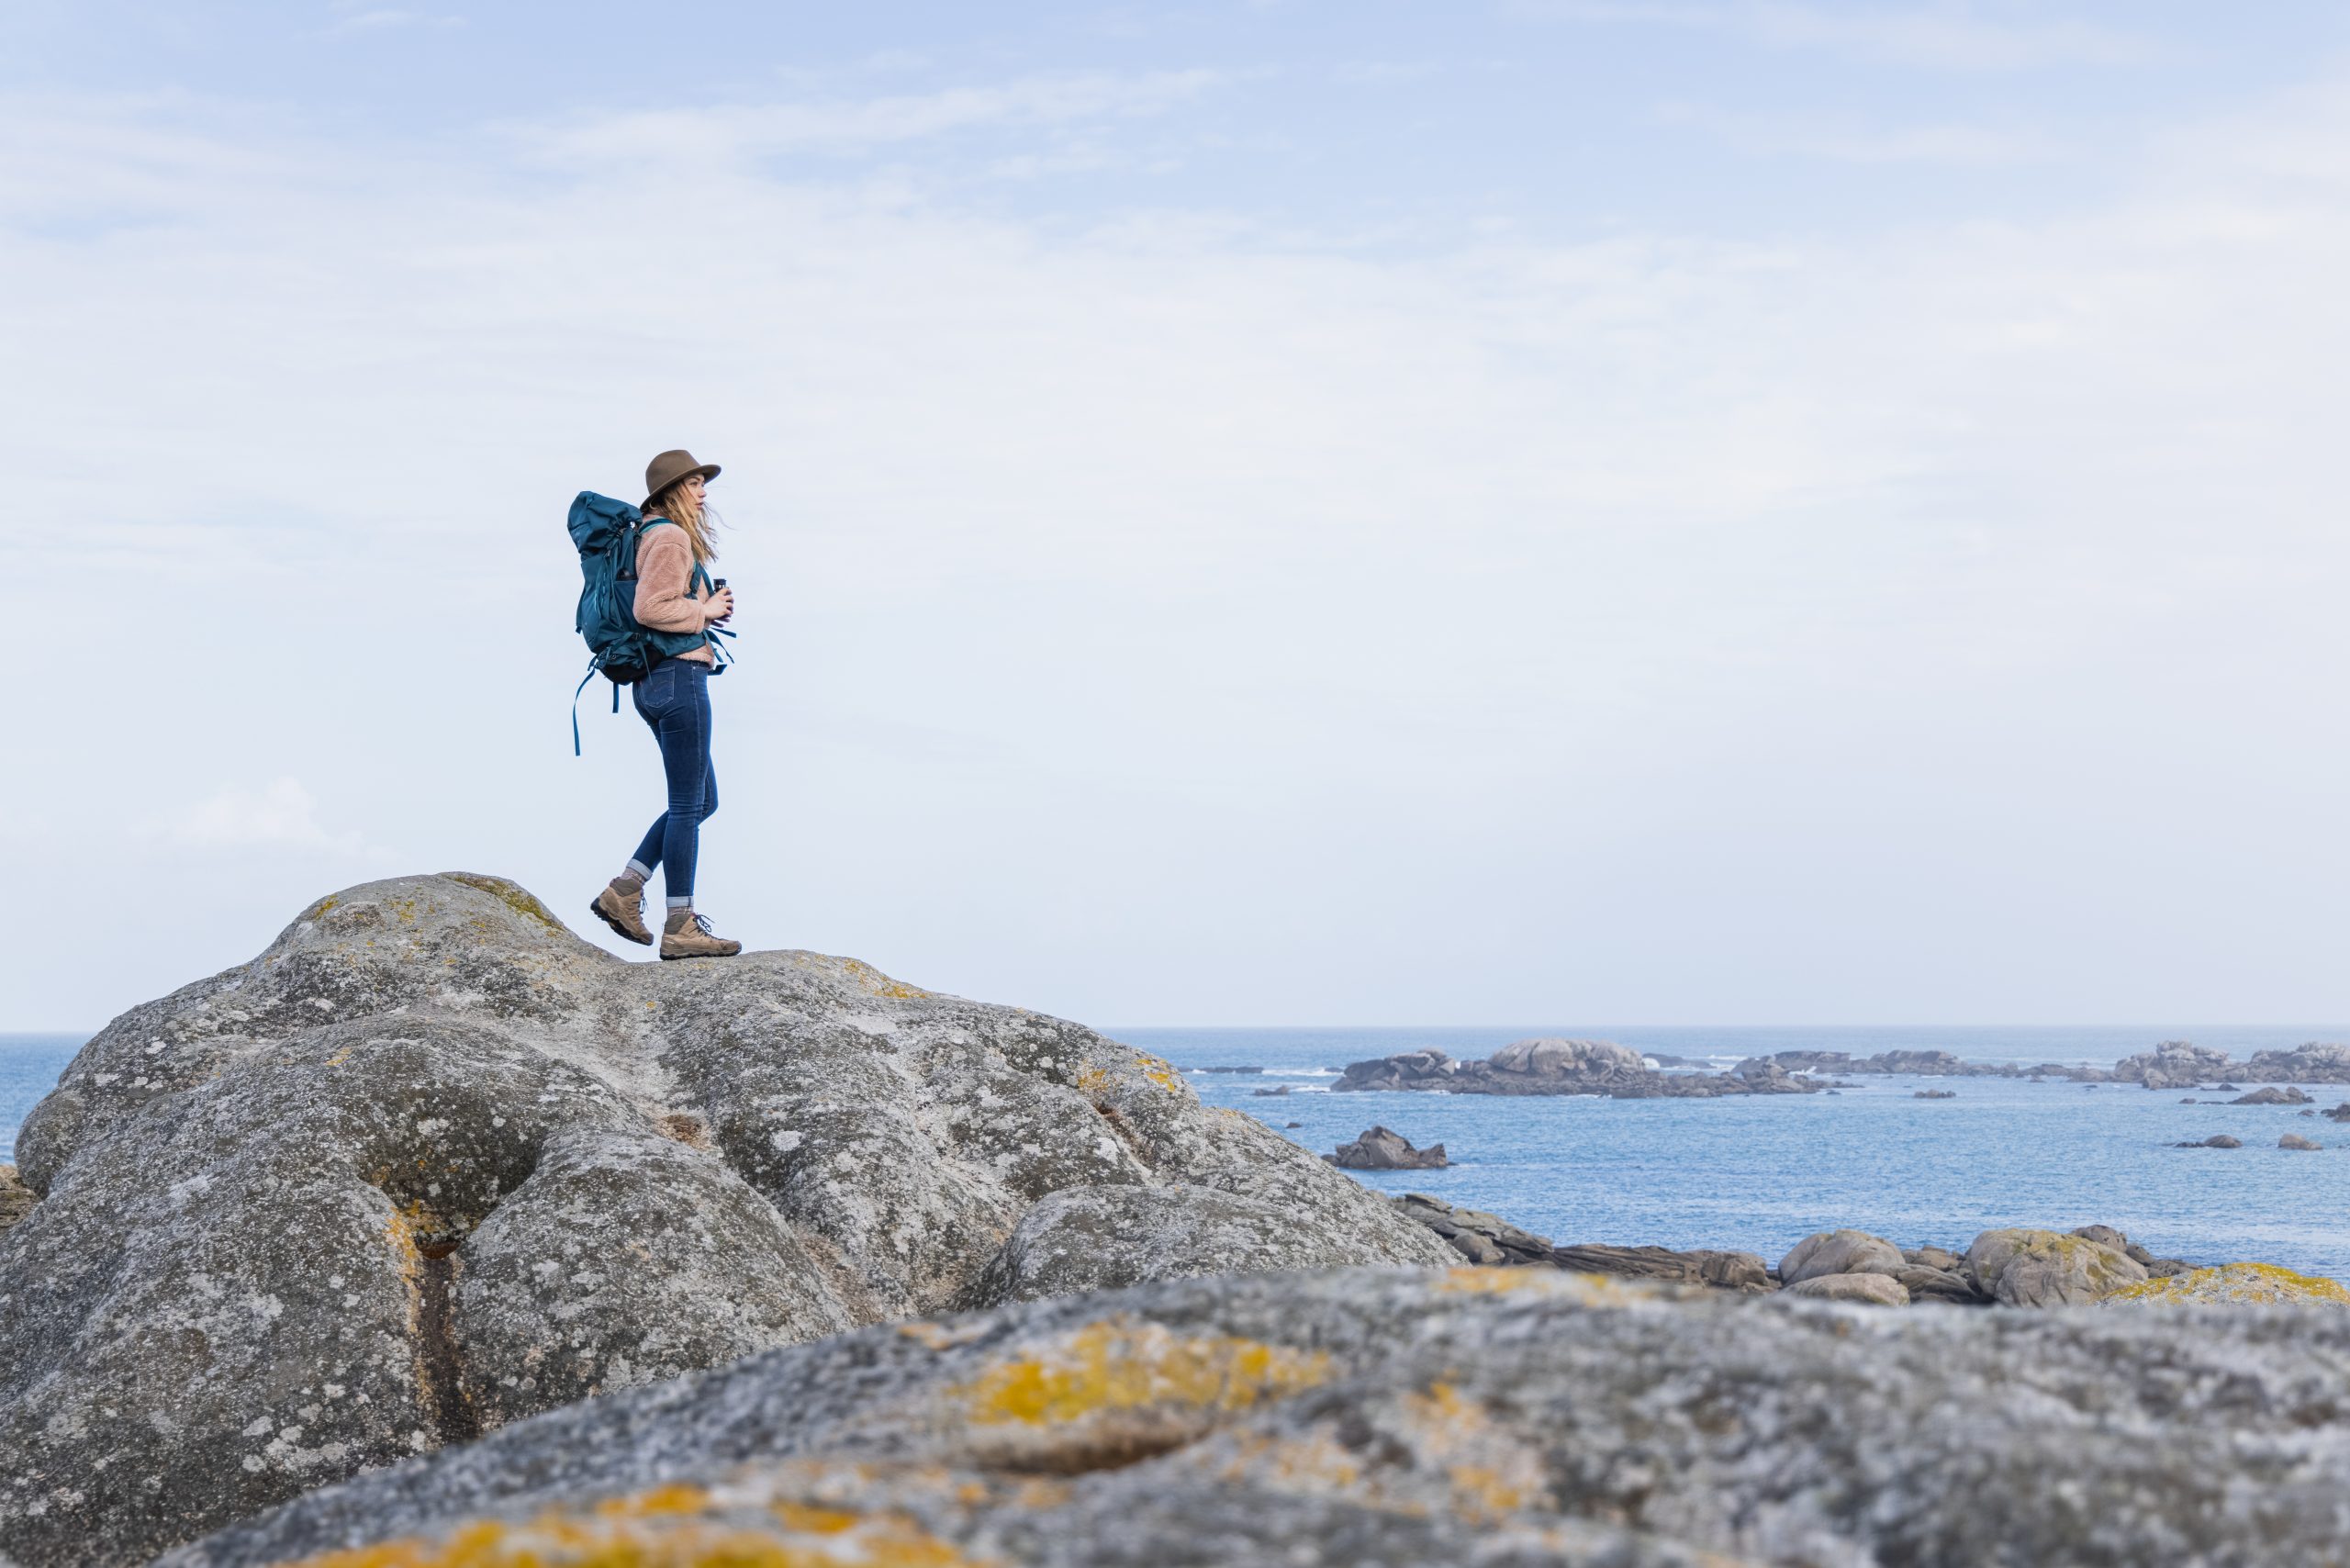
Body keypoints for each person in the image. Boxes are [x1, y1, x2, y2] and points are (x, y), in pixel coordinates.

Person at [589, 449, 744, 959]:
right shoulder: (671, 537)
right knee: (687, 806)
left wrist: (700, 609)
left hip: (655, 682)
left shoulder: (645, 536)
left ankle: (625, 888)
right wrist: (705, 610)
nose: (703, 492)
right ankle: (680, 924)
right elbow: (651, 608)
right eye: (695, 483)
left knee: (703, 801)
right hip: (679, 679)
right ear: (673, 490)